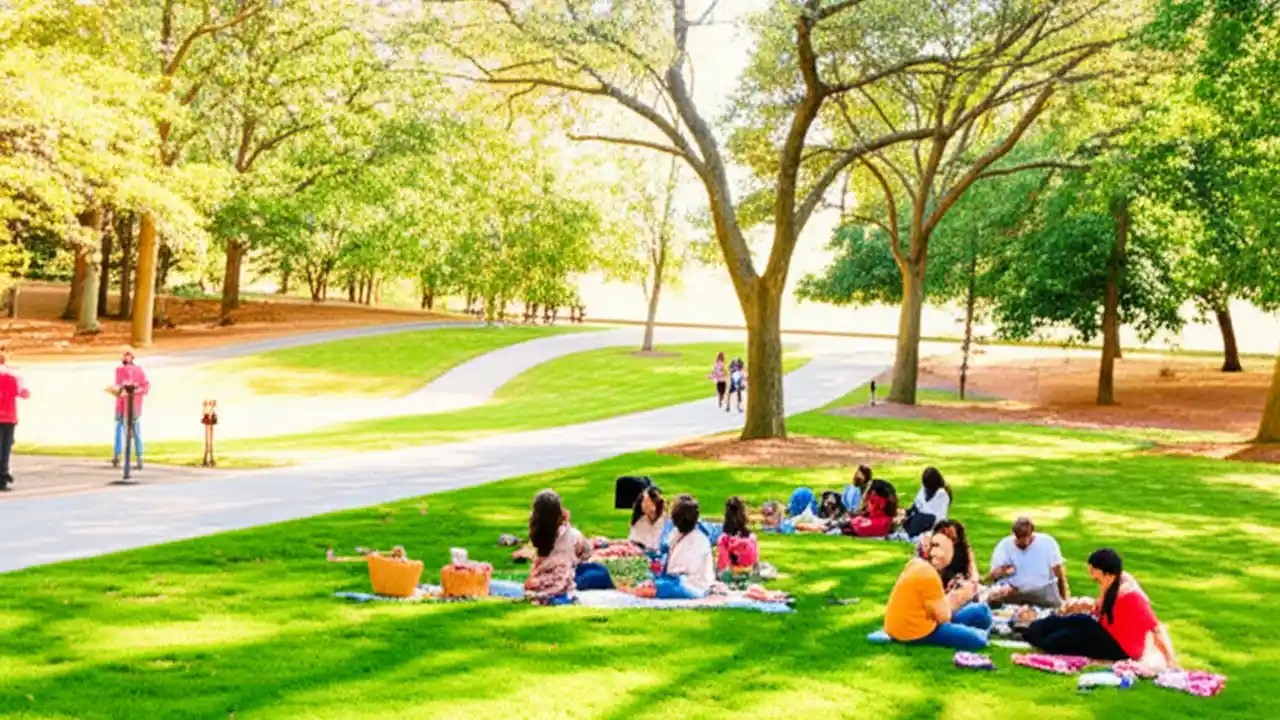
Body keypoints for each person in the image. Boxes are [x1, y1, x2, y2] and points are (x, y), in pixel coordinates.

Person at [1022, 549, 1179, 668]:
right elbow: (1100, 609)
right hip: (1102, 629)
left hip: (1119, 646)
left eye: (1095, 575)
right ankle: (1029, 630)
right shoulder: (1112, 584)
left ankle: (1039, 638)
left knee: (1057, 641)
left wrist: (1170, 660)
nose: (1092, 578)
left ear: (1109, 575)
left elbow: (1156, 628)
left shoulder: (1132, 596)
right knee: (1067, 621)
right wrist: (1083, 604)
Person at [883, 529, 991, 650]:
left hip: (903, 627)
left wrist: (949, 595)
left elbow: (929, 604)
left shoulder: (914, 564)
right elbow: (944, 618)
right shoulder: (929, 575)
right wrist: (958, 599)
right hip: (919, 632)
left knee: (982, 610)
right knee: (978, 639)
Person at [524, 489, 592, 604]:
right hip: (565, 582)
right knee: (597, 570)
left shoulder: (537, 535)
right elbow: (587, 552)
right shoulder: (571, 534)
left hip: (539, 582)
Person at [985, 517, 1070, 608]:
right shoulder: (1004, 546)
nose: (1023, 541)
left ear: (1033, 532)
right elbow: (991, 578)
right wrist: (1000, 573)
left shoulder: (1047, 543)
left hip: (1043, 593)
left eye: (1026, 536)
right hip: (1013, 595)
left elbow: (1059, 574)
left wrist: (1065, 598)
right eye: (1019, 537)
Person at [658, 494, 715, 599]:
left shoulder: (699, 540)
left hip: (694, 586)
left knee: (661, 586)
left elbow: (686, 572)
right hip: (677, 581)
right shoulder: (675, 534)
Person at [110, 347, 150, 469]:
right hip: (121, 405)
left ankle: (139, 456)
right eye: (124, 355)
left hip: (133, 405)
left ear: (132, 357)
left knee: (135, 431)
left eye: (128, 355)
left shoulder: (138, 370)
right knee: (119, 429)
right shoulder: (119, 370)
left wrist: (136, 390)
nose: (126, 357)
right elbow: (117, 385)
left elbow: (145, 386)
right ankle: (117, 454)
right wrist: (117, 390)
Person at [0, 351, 31, 491]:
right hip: (8, 415)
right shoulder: (14, 374)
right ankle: (3, 473)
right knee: (5, 447)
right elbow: (24, 393)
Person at [716, 496, 759, 575]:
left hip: (728, 573)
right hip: (747, 572)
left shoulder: (723, 539)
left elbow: (722, 565)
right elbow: (755, 563)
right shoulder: (752, 537)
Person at [903, 467, 950, 537]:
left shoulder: (942, 495)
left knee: (918, 520)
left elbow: (939, 518)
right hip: (919, 518)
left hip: (932, 522)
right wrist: (906, 513)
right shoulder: (923, 489)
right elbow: (916, 504)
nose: (926, 488)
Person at [628, 485, 668, 551]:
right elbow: (633, 541)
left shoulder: (668, 521)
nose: (644, 504)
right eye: (643, 501)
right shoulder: (640, 522)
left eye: (648, 501)